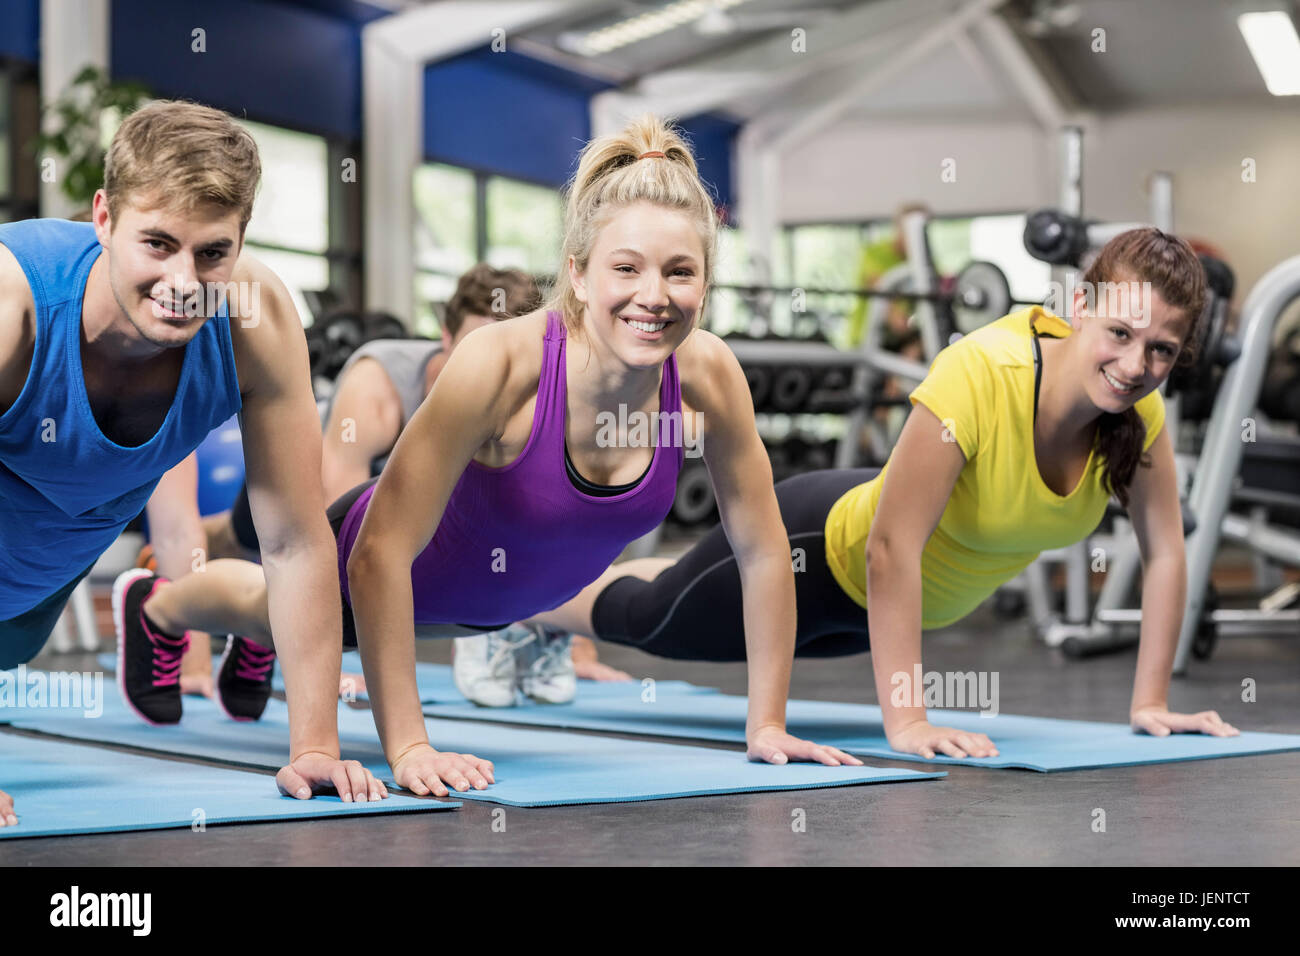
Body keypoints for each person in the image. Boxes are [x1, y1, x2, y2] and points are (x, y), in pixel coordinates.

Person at [129, 114, 862, 798]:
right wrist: (410, 745)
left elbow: (764, 551)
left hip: (499, 604)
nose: (655, 296)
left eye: (681, 271)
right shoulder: (501, 366)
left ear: (707, 280)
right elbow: (378, 554)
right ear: (578, 274)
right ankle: (158, 606)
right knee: (269, 603)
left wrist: (768, 724)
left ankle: (258, 640)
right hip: (381, 573)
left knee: (273, 615)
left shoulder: (707, 375)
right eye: (627, 269)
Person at [535, 228, 1241, 760]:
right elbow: (891, 546)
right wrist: (907, 717)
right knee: (651, 618)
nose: (1134, 365)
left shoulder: (1138, 417)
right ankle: (519, 609)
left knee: (679, 582)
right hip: (821, 556)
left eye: (1161, 351)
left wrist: (1152, 703)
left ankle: (544, 610)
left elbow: (1167, 552)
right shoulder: (985, 371)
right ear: (1079, 306)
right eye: (1120, 333)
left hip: (875, 614)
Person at [0, 100, 387, 829]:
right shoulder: (13, 302)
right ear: (104, 219)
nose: (184, 281)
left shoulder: (255, 324)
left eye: (213, 252)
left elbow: (296, 542)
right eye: (157, 243)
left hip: (28, 587)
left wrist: (314, 746)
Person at [137, 265, 625, 716]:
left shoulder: (529, 389)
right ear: (446, 337)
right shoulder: (380, 384)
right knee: (266, 584)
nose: (492, 366)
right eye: (478, 346)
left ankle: (250, 623)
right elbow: (329, 523)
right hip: (300, 488)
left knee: (271, 599)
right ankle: (158, 601)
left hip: (409, 515)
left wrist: (574, 639)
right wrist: (329, 655)